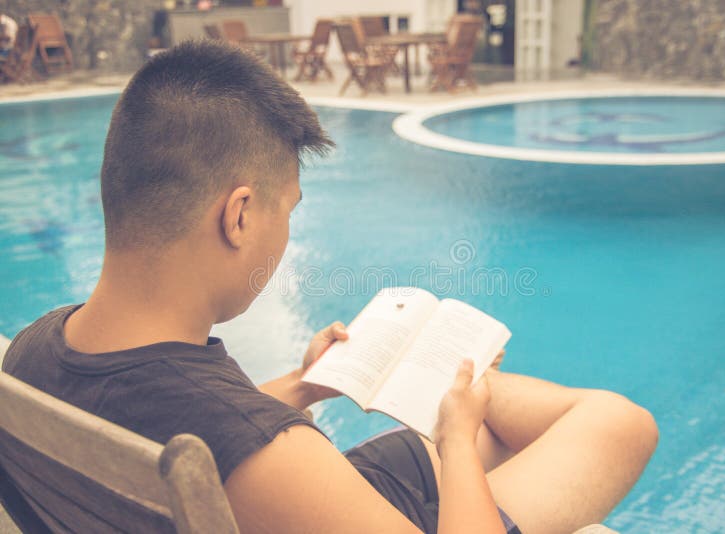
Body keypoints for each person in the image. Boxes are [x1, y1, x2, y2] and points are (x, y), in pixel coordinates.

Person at [2, 41, 658, 534]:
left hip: (301, 503)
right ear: (238, 216)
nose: (285, 232)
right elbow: (236, 442)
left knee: (504, 425)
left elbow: (174, 422)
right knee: (616, 425)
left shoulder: (33, 351)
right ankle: (463, 411)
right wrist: (457, 441)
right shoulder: (270, 455)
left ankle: (461, 406)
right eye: (288, 209)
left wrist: (303, 385)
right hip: (316, 503)